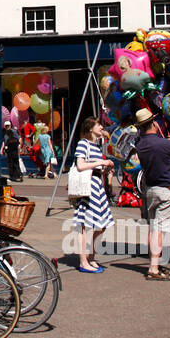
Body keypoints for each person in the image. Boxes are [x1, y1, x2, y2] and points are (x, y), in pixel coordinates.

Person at [135, 108, 170, 280]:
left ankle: (155, 264)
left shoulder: (140, 145)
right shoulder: (164, 144)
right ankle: (153, 268)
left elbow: (160, 162)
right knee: (160, 231)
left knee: (153, 228)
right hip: (166, 191)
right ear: (155, 124)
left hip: (151, 190)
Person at [71, 116, 114, 272]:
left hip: (97, 187)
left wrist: (105, 169)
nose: (102, 127)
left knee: (102, 224)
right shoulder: (83, 144)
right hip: (87, 189)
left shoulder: (96, 146)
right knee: (84, 225)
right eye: (98, 125)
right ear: (90, 128)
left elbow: (93, 167)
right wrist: (101, 163)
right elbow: (80, 165)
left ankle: (91, 257)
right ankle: (84, 262)